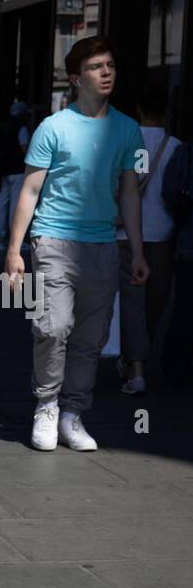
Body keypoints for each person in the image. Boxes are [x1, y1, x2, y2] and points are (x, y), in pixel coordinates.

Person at [5, 35, 148, 452]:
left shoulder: (129, 130)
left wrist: (137, 251)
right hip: (52, 240)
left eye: (110, 65)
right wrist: (14, 251)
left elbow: (131, 193)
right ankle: (46, 405)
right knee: (52, 327)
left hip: (103, 245)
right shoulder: (52, 128)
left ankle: (72, 414)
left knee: (90, 337)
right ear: (74, 79)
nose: (106, 73)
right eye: (95, 67)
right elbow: (29, 190)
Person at [114, 83, 180, 396]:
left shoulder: (129, 141)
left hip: (127, 233)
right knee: (156, 302)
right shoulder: (177, 147)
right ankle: (137, 358)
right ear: (166, 112)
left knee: (132, 302)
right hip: (163, 234)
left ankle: (134, 363)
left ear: (138, 109)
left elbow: (131, 181)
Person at [160, 137, 193, 383]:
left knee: (184, 305)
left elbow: (169, 192)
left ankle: (175, 364)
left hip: (188, 240)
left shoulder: (186, 151)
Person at [0, 101, 33, 252]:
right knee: (15, 205)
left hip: (4, 169)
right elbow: (25, 149)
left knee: (2, 203)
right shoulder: (21, 127)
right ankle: (16, 240)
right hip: (18, 170)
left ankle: (0, 238)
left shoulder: (2, 127)